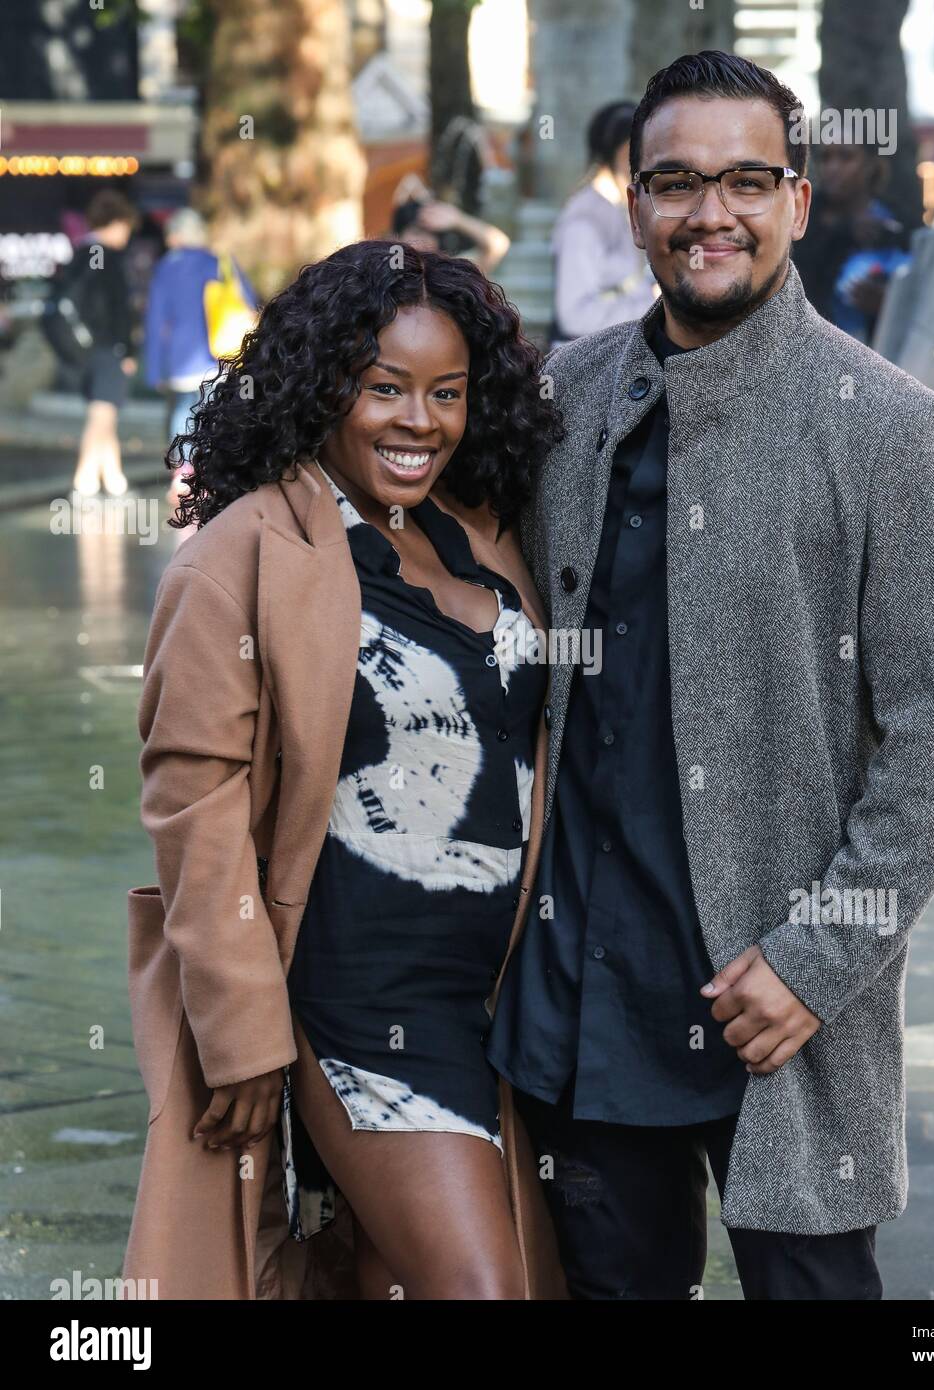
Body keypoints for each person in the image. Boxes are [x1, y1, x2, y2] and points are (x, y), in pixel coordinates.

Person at [486, 50, 934, 1300]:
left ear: (796, 201)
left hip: (777, 1012)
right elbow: (398, 478)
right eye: (674, 182)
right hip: (583, 1000)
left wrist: (815, 960)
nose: (708, 212)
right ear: (633, 201)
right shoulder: (564, 395)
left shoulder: (887, 427)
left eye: (745, 180)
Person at [121, 240, 568, 1300]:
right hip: (357, 999)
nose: (419, 421)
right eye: (385, 388)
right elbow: (195, 803)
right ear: (326, 384)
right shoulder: (240, 554)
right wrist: (241, 1036)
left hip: (494, 998)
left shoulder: (480, 535)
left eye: (446, 393)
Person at [143, 207, 258, 514]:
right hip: (219, 353)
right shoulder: (219, 262)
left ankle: (184, 477)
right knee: (213, 412)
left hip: (180, 358)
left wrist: (154, 367)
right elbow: (248, 302)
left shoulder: (166, 268)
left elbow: (155, 319)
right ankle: (212, 475)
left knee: (183, 412)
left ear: (177, 235)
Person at [549, 101, 657, 347]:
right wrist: (656, 304)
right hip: (584, 366)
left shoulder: (615, 207)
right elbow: (574, 315)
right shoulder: (584, 219)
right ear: (625, 153)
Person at [792, 141, 910, 343]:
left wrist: (890, 302)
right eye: (825, 158)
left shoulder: (895, 220)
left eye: (846, 157)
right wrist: (842, 235)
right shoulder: (801, 217)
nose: (833, 168)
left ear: (871, 165)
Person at [63, 190, 139, 497]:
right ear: (116, 222)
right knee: (102, 414)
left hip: (88, 348)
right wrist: (127, 348)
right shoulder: (103, 256)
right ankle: (84, 481)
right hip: (108, 348)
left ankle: (113, 478)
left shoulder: (83, 253)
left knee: (105, 412)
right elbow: (115, 308)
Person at [391, 173, 511, 274]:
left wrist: (458, 220)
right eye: (417, 232)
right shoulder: (388, 270)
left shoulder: (451, 273)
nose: (425, 241)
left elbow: (499, 244)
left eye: (433, 235)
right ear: (397, 237)